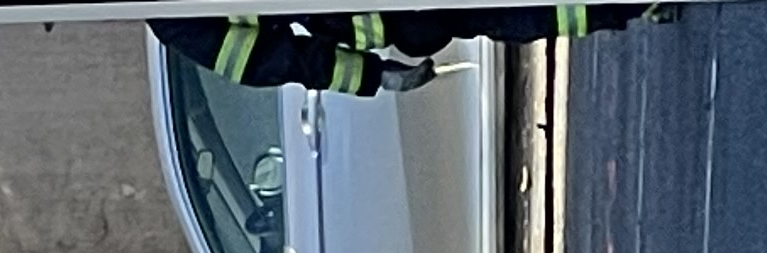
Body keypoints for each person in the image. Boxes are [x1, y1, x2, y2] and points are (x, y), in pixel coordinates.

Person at [155, 8, 680, 93]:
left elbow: (275, 60)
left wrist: (375, 75)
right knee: (505, 11)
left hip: (396, 13)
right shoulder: (176, 18)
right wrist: (373, 75)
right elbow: (268, 59)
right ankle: (627, 4)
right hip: (399, 12)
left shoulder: (173, 20)